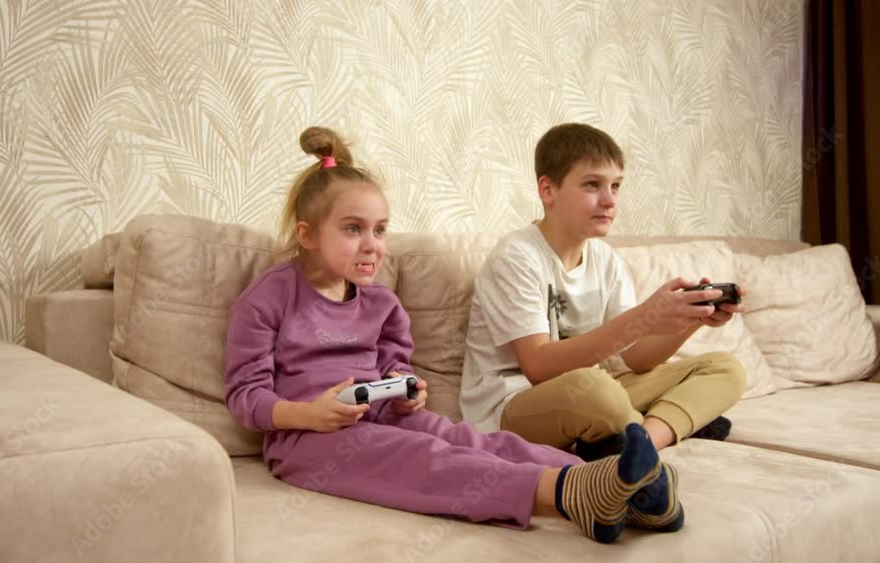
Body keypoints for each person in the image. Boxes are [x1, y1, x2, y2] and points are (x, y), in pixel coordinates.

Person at [223, 126, 684, 543]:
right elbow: (245, 395)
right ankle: (569, 494)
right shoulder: (269, 298)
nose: (372, 245)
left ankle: (628, 485)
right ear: (307, 234)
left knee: (469, 440)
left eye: (380, 230)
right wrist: (306, 414)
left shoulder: (381, 302)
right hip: (309, 438)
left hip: (383, 414)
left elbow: (393, 365)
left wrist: (405, 391)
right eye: (352, 229)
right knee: (423, 457)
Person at [461, 122, 748, 463]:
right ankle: (669, 421)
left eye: (616, 186)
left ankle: (640, 444)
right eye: (592, 185)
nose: (610, 200)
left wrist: (691, 319)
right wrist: (644, 316)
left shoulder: (605, 259)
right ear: (547, 190)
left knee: (725, 367)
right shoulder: (516, 257)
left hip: (587, 391)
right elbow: (537, 366)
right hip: (513, 406)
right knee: (600, 389)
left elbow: (636, 359)